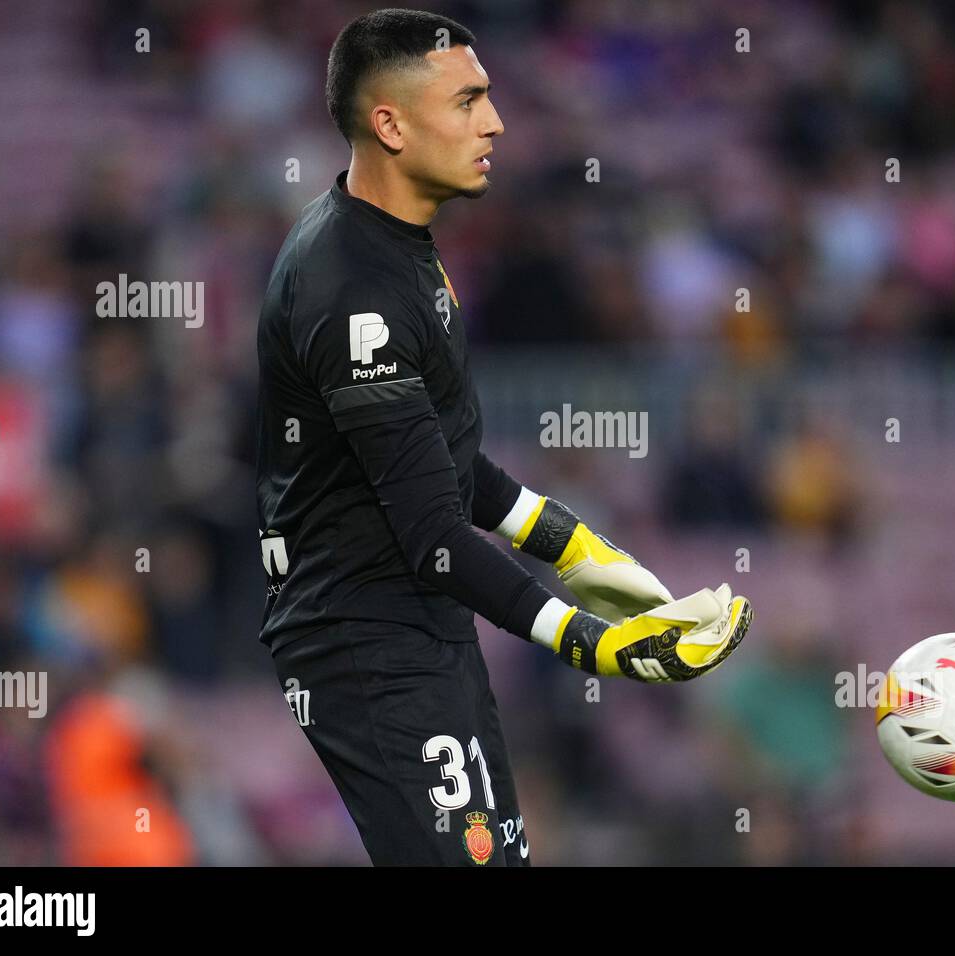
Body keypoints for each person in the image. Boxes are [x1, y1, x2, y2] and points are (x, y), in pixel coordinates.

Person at [254, 8, 751, 866]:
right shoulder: (353, 289)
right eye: (469, 101)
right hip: (370, 642)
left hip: (418, 628)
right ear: (391, 124)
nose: (497, 122)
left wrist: (583, 553)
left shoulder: (401, 248)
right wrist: (591, 640)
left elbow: (447, 467)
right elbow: (434, 540)